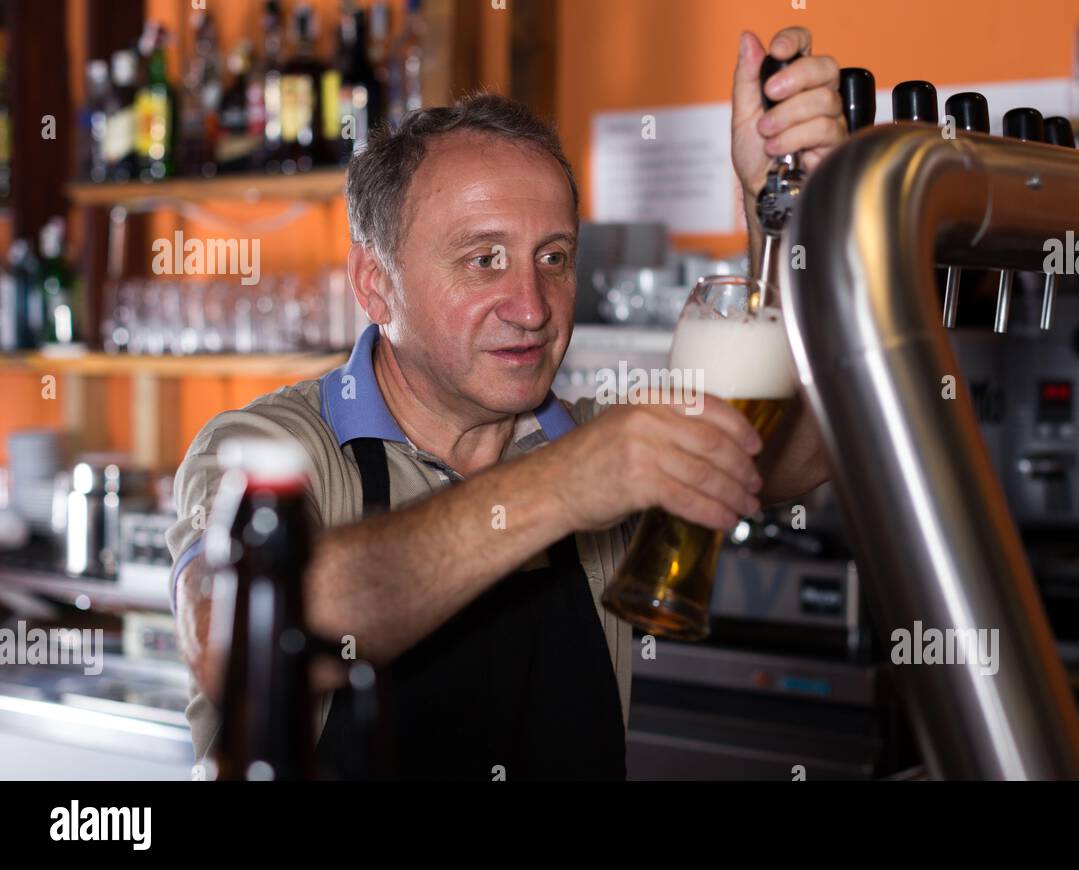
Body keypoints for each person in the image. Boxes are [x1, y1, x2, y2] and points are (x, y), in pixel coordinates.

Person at [169, 27, 847, 780]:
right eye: (482, 259)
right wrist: (564, 486)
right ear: (374, 284)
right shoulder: (277, 448)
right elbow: (225, 640)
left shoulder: (601, 442)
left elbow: (801, 455)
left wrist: (784, 213)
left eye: (552, 258)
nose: (530, 306)